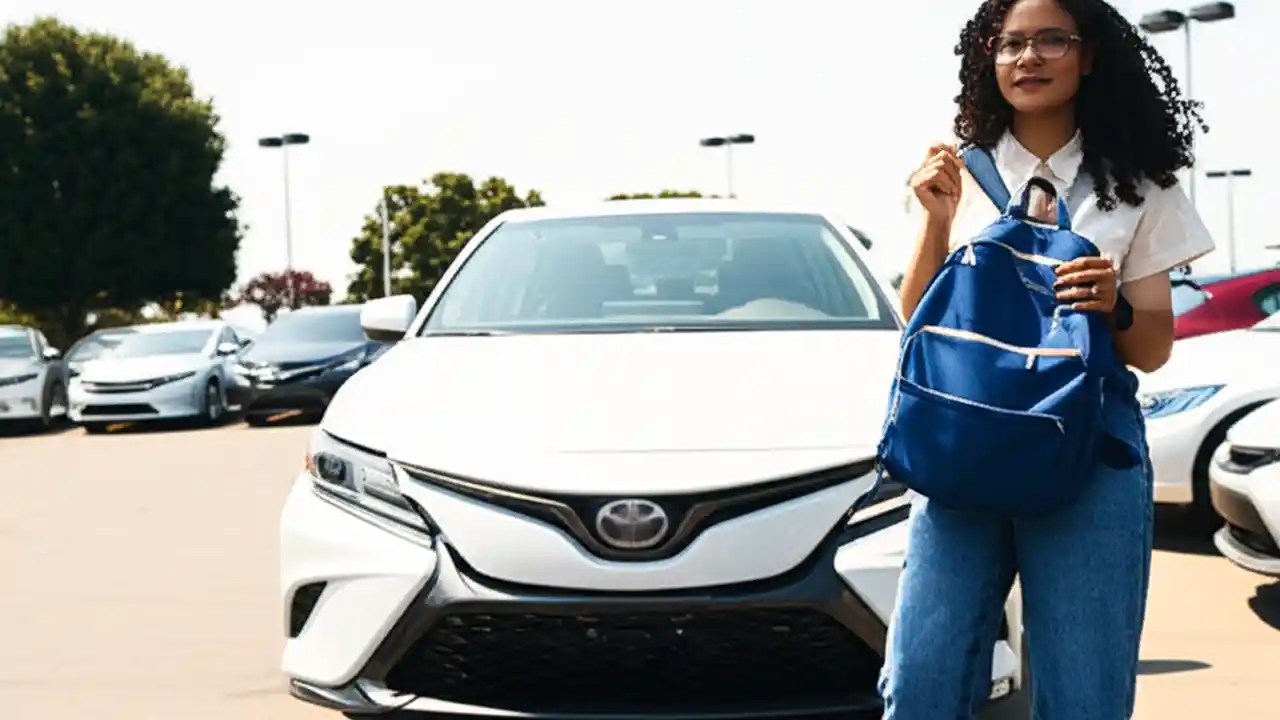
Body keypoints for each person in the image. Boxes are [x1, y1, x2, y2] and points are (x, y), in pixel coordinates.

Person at [880, 0, 1215, 718]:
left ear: (1089, 55)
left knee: (1083, 698)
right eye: (1010, 44)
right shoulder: (953, 173)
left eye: (1051, 40)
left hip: (1089, 453)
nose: (1027, 58)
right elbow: (916, 317)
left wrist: (1113, 307)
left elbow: (1152, 347)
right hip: (960, 450)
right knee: (920, 683)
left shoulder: (1139, 184)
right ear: (988, 60)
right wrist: (936, 222)